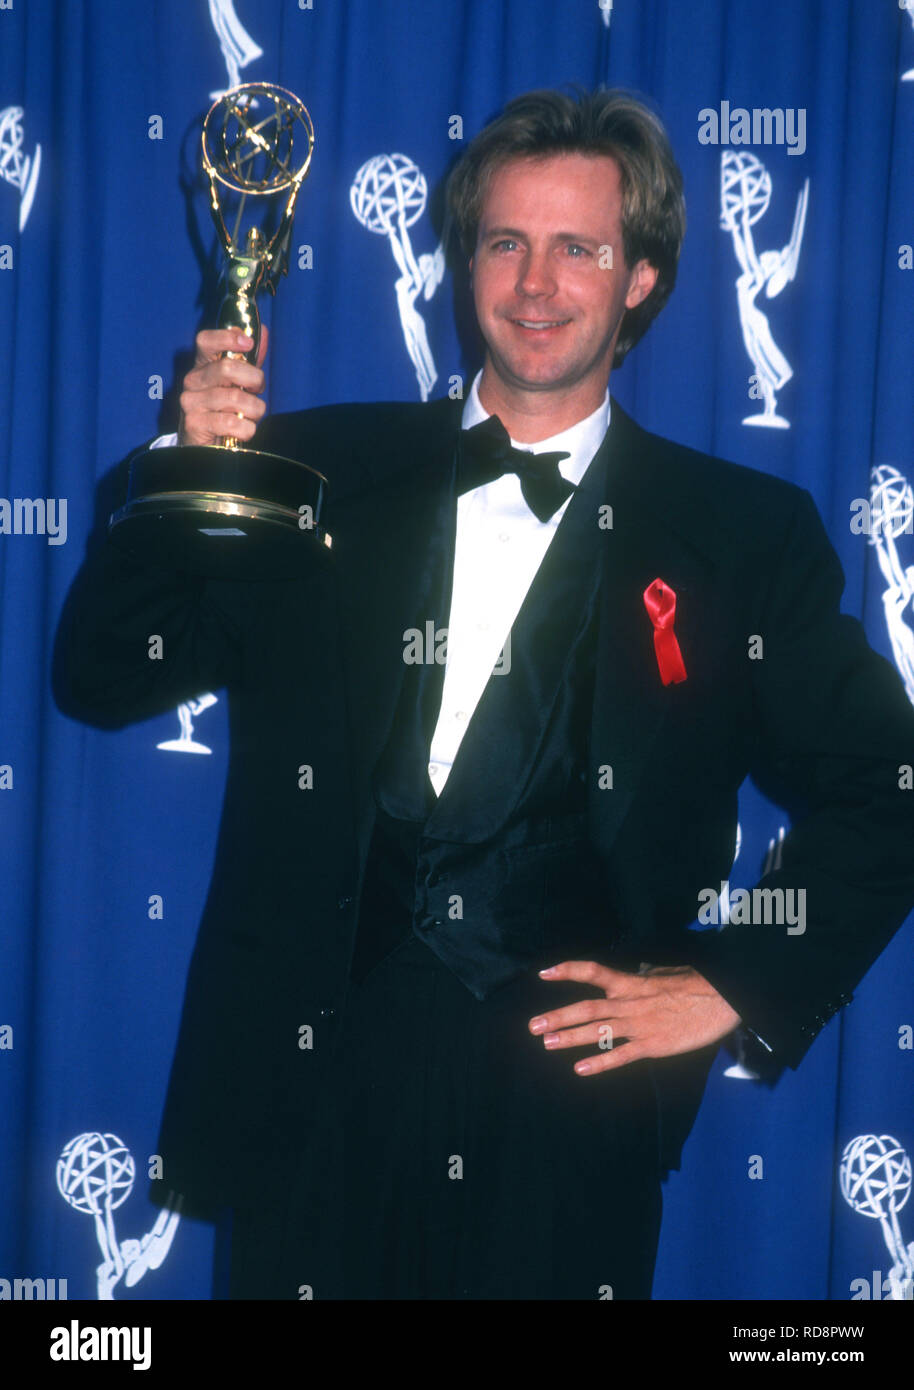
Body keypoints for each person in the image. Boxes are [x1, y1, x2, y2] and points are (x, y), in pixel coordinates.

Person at [53, 87, 914, 1301]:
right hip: (310, 1099)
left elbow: (889, 784)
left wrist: (736, 983)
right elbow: (103, 677)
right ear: (466, 263)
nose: (534, 282)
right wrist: (184, 472)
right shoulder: (315, 470)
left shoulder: (740, 537)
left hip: (568, 1125)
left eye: (579, 248)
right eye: (505, 241)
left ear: (644, 279)